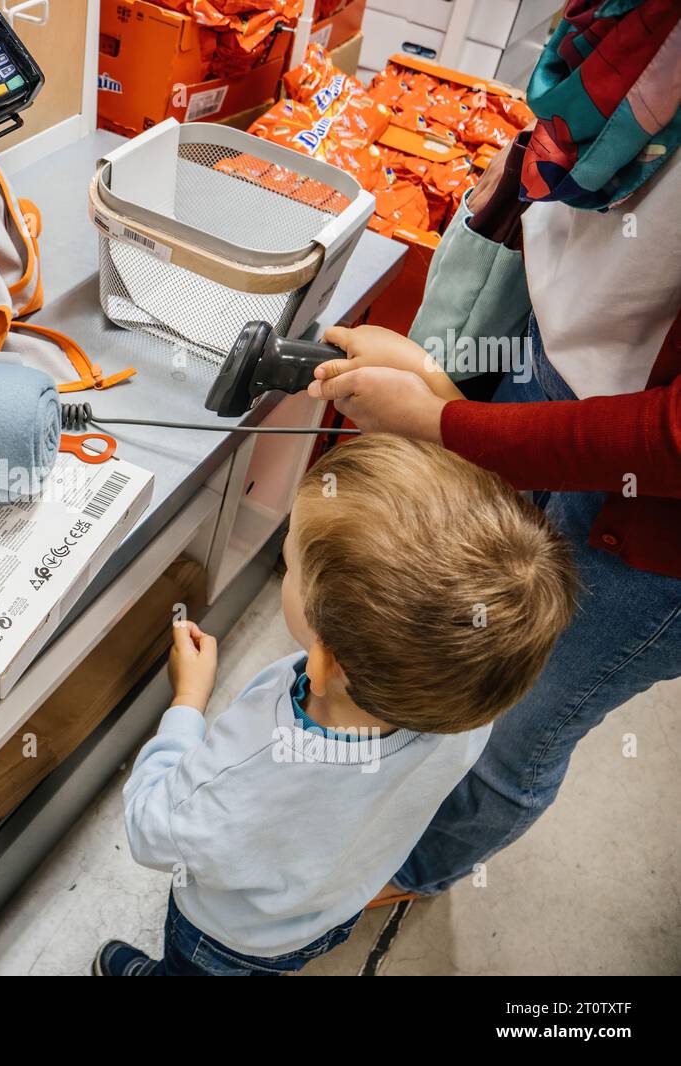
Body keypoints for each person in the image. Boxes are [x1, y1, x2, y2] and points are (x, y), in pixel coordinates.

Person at [305, 0, 681, 902]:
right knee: (465, 627)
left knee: (526, 726)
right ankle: (403, 801)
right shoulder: (635, 28)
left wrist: (441, 423)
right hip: (555, 361)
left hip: (650, 520)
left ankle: (417, 872)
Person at [94, 435, 577, 975]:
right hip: (325, 916)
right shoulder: (465, 708)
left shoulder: (259, 759)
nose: (284, 557)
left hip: (225, 939)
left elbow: (151, 828)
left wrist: (188, 700)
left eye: (291, 563)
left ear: (326, 663)